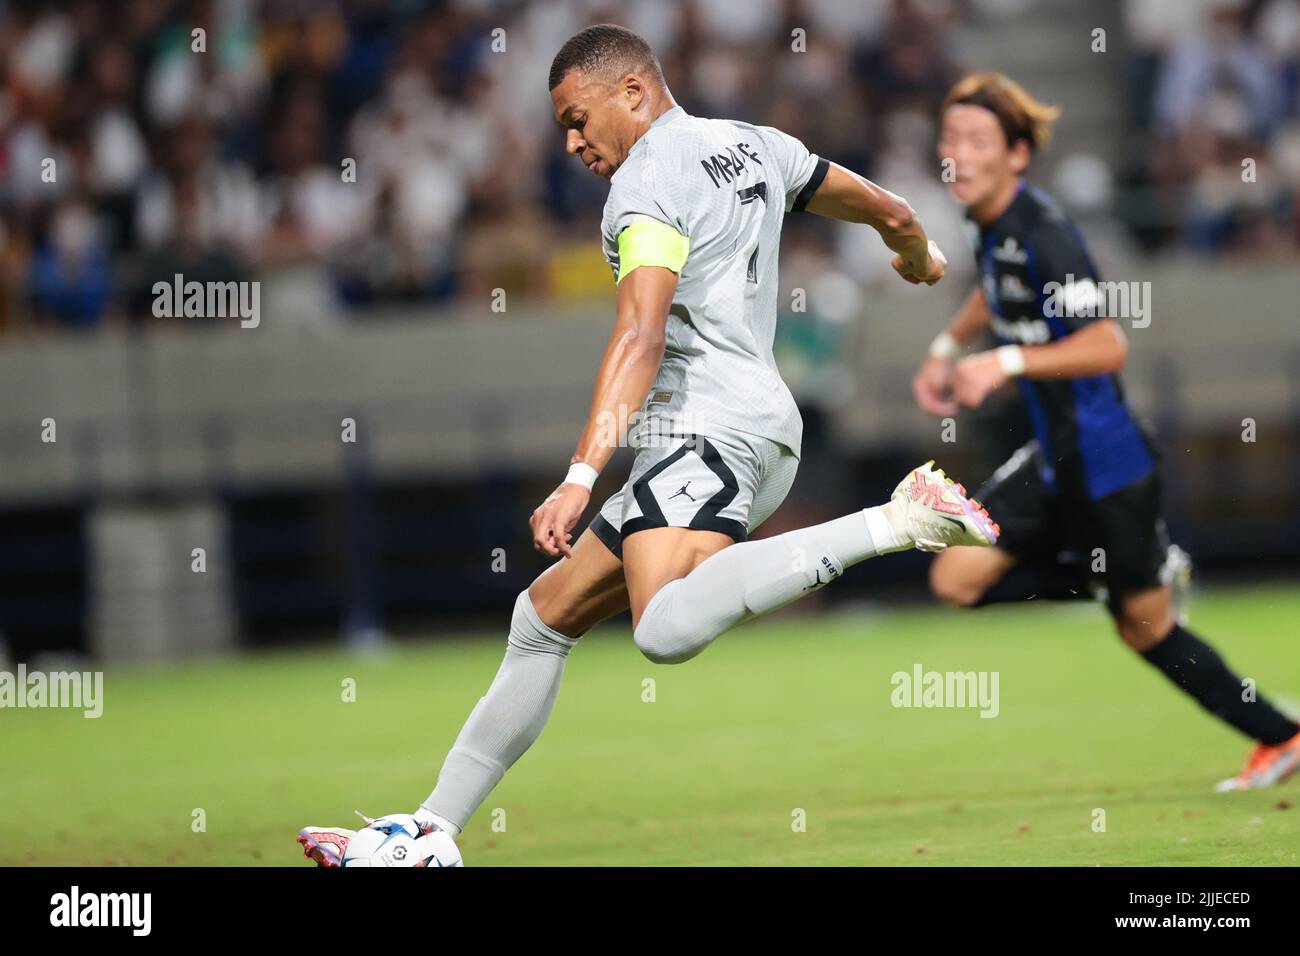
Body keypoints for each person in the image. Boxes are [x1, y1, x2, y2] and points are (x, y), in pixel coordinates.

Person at [297, 24, 999, 867]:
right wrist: (912, 248)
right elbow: (885, 206)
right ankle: (432, 832)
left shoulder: (644, 186)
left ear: (631, 91)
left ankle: (896, 521)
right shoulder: (752, 144)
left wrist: (579, 476)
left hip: (712, 431)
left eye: (576, 117)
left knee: (664, 629)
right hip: (731, 430)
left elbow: (640, 333)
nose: (571, 142)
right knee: (542, 617)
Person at [913, 71, 1300, 793]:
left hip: (1107, 461)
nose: (955, 155)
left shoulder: (1048, 234)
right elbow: (992, 290)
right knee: (953, 574)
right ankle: (1125, 574)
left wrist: (1002, 361)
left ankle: (1280, 736)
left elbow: (1107, 345)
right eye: (948, 139)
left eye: (975, 141)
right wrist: (946, 349)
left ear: (1019, 155)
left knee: (1146, 632)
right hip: (1054, 457)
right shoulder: (989, 223)